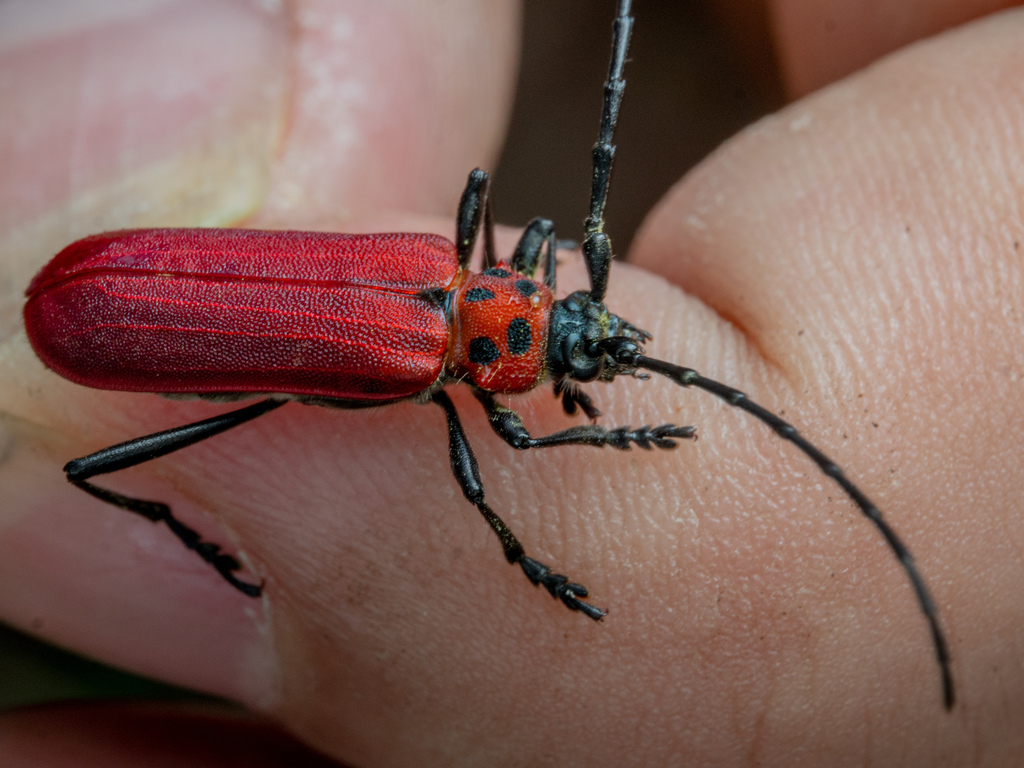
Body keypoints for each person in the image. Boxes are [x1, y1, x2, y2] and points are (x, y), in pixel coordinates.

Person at [1, 1, 1020, 764]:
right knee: (121, 460)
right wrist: (592, 454)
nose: (596, 337)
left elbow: (500, 215)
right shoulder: (416, 364)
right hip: (103, 316)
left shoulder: (451, 271)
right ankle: (174, 520)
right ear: (521, 319)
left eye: (575, 337)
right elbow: (513, 451)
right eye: (577, 338)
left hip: (114, 288)